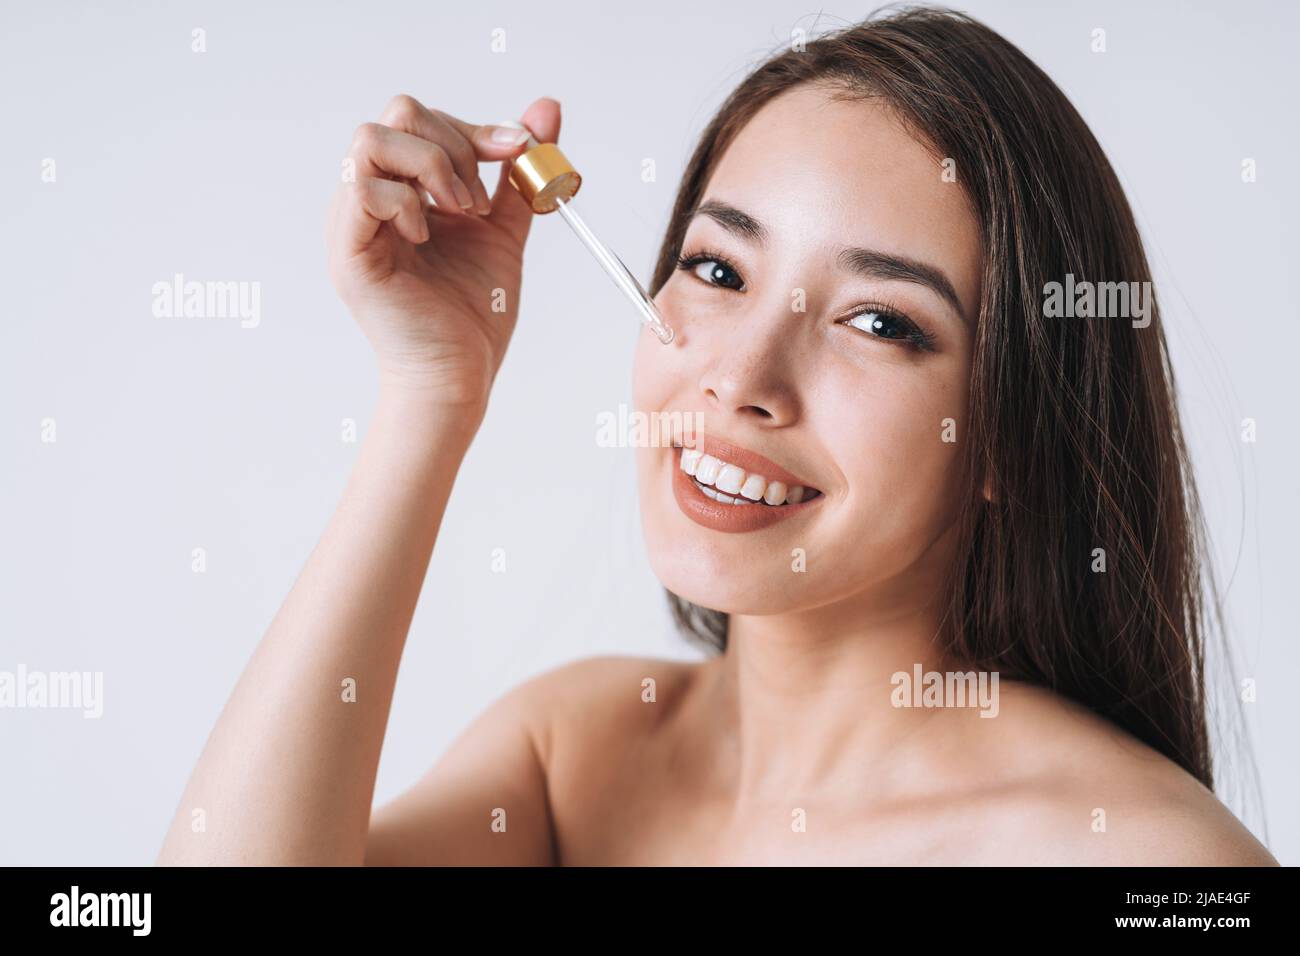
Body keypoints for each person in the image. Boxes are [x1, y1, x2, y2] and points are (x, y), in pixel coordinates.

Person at [158, 7, 1279, 866]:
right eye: (716, 268)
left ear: (1006, 433)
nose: (739, 376)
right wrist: (428, 392)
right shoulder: (576, 751)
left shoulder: (1139, 856)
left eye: (880, 321)